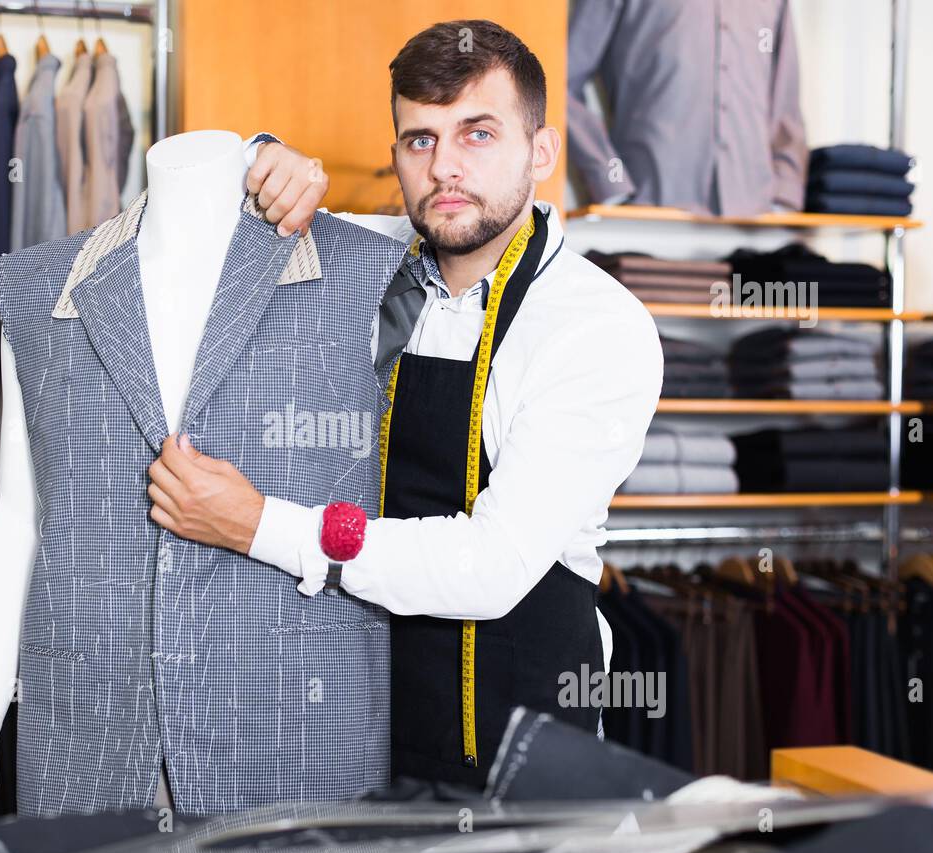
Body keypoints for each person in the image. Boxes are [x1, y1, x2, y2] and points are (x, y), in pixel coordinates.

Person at [148, 19, 663, 787]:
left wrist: (259, 526)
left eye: (477, 134)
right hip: (363, 737)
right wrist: (261, 156)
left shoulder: (594, 326)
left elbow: (489, 566)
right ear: (395, 157)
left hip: (524, 758)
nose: (445, 168)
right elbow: (207, 205)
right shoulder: (372, 265)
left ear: (543, 152)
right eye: (419, 140)